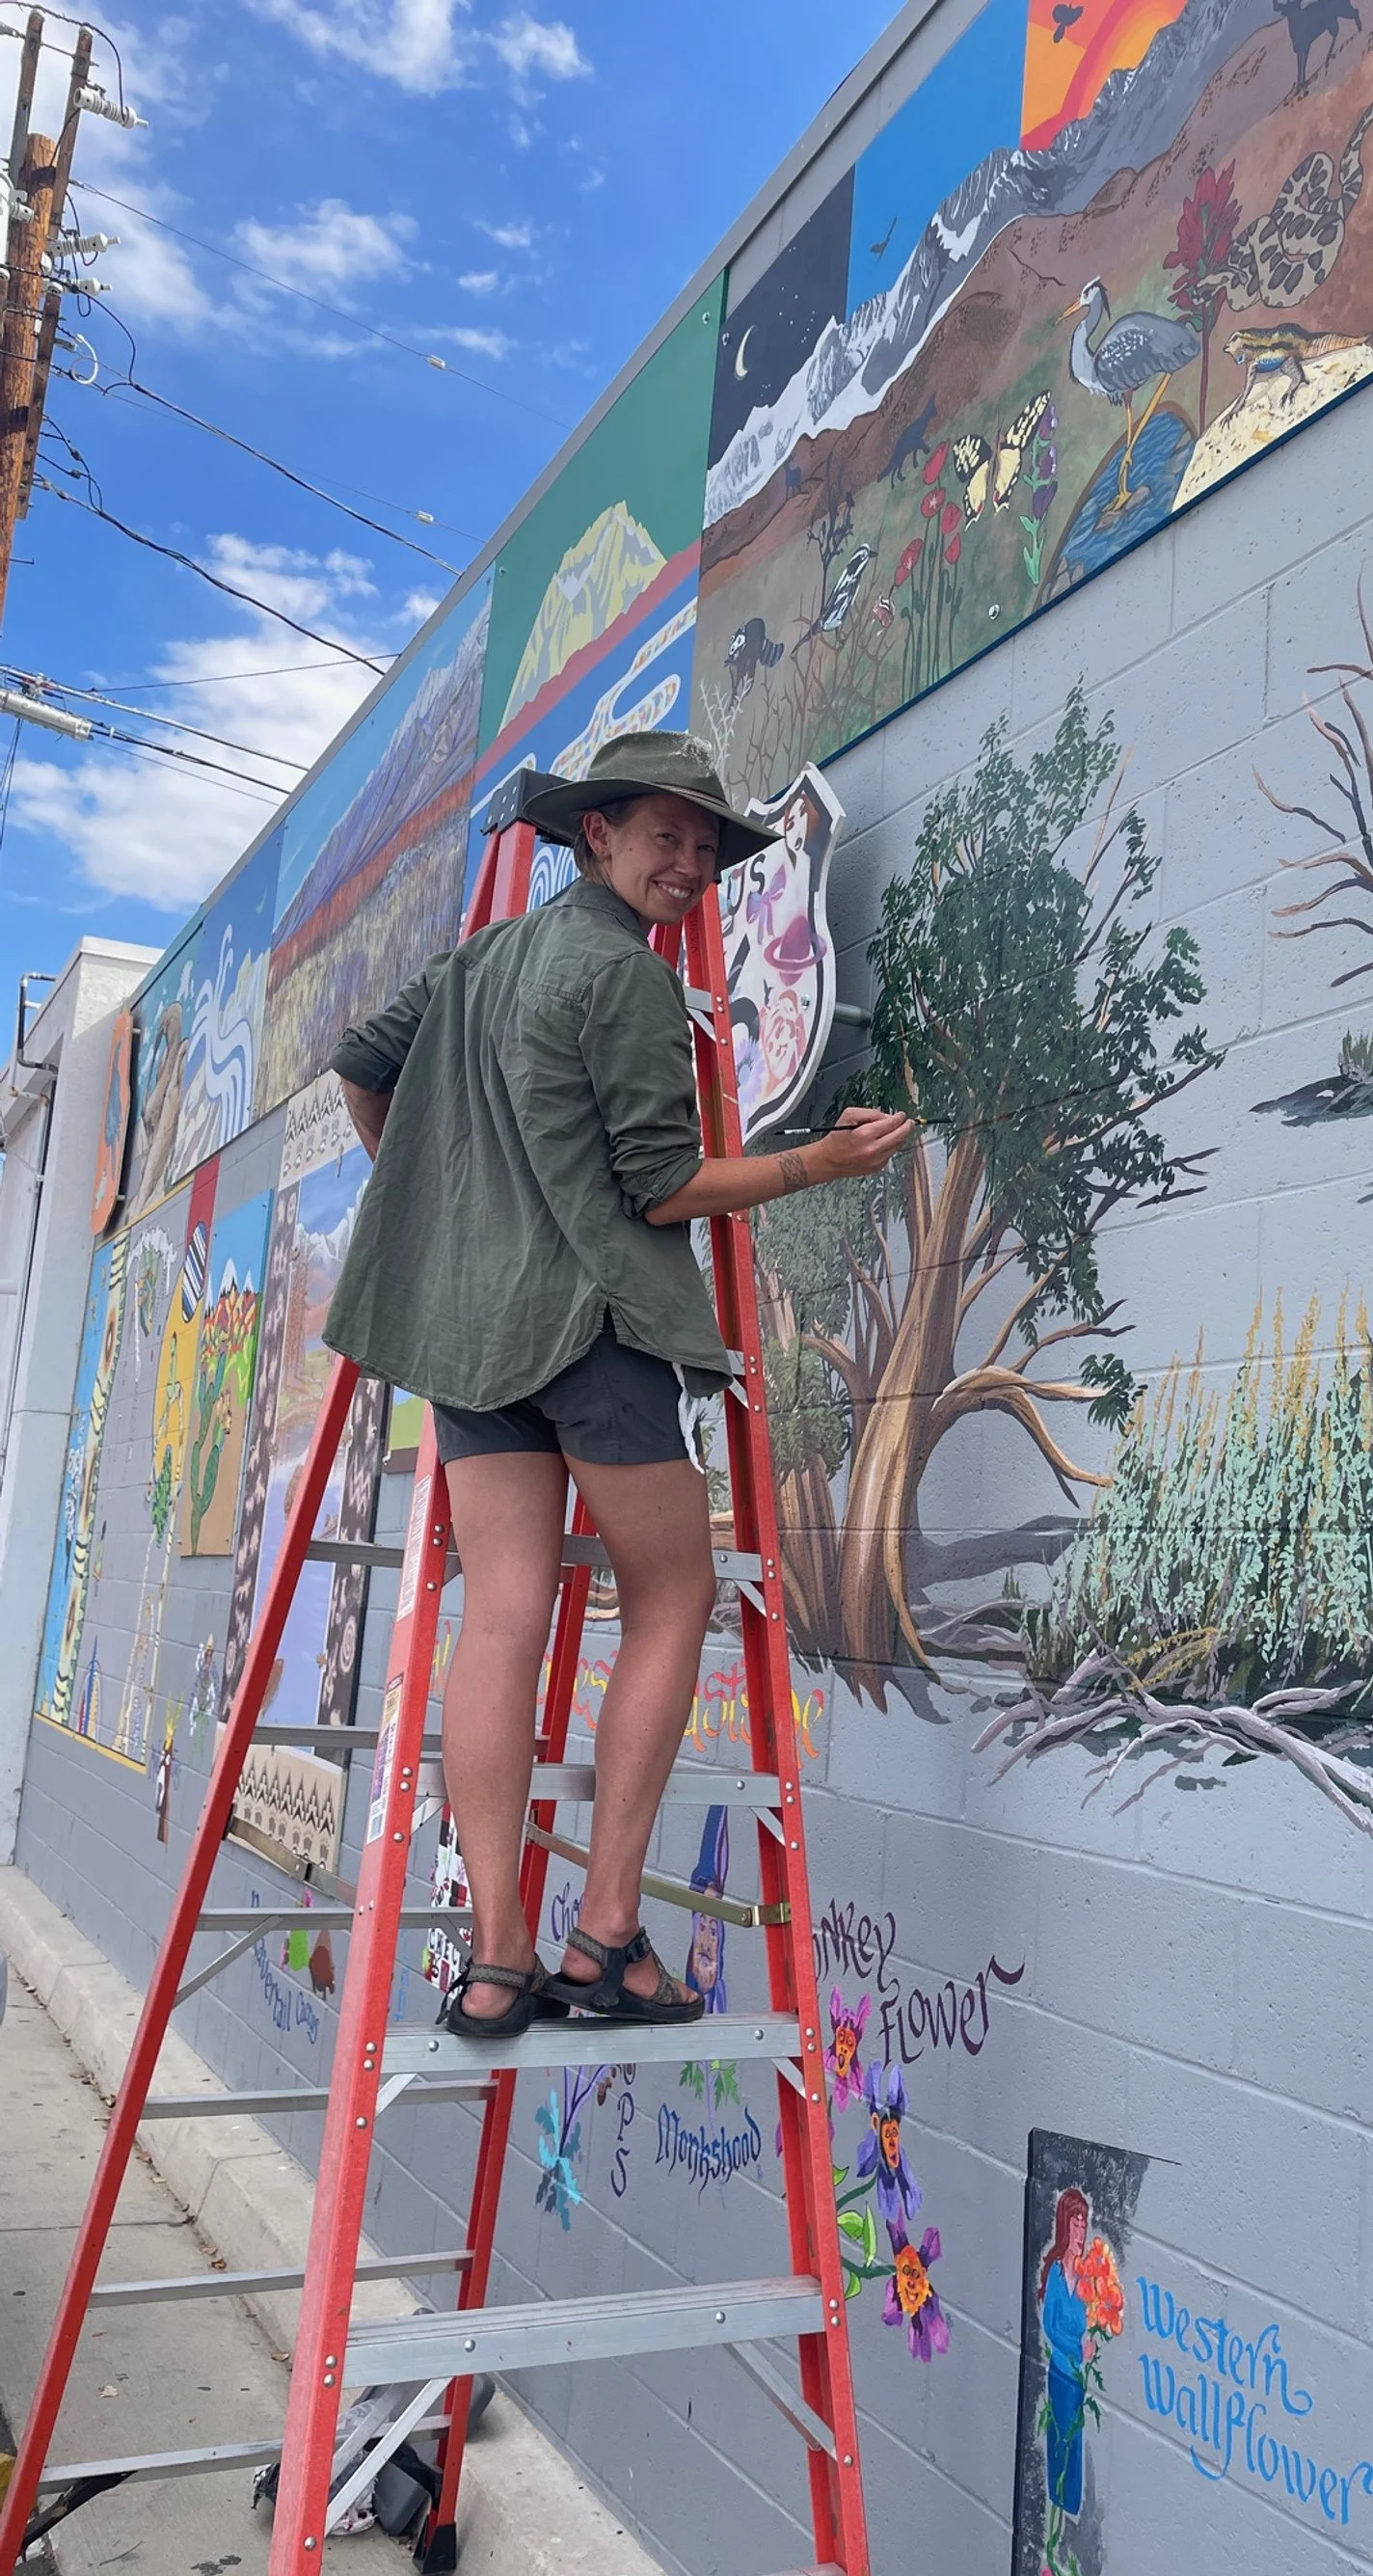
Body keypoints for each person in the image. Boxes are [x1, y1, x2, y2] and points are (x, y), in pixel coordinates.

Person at [323, 730, 912, 2039]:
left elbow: (364, 1069)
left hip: (471, 1338)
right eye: (667, 837)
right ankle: (603, 1937)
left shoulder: (478, 963)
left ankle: (494, 1961)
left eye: (708, 849)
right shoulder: (631, 982)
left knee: (503, 1620)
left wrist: (436, 1199)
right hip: (594, 1330)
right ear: (596, 832)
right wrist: (819, 1165)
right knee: (675, 1593)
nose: (692, 866)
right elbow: (658, 1187)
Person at [1037, 2187, 1092, 2518]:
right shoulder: (1057, 2273)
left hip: (1077, 2376)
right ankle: (1057, 2504)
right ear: (1064, 2226)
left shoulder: (1087, 2277)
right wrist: (1078, 2348)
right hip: (1061, 2371)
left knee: (1075, 2438)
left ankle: (1069, 2506)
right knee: (1060, 2436)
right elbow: (1051, 2326)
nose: (1081, 2232)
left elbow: (1092, 2318)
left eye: (1084, 2224)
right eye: (1076, 2223)